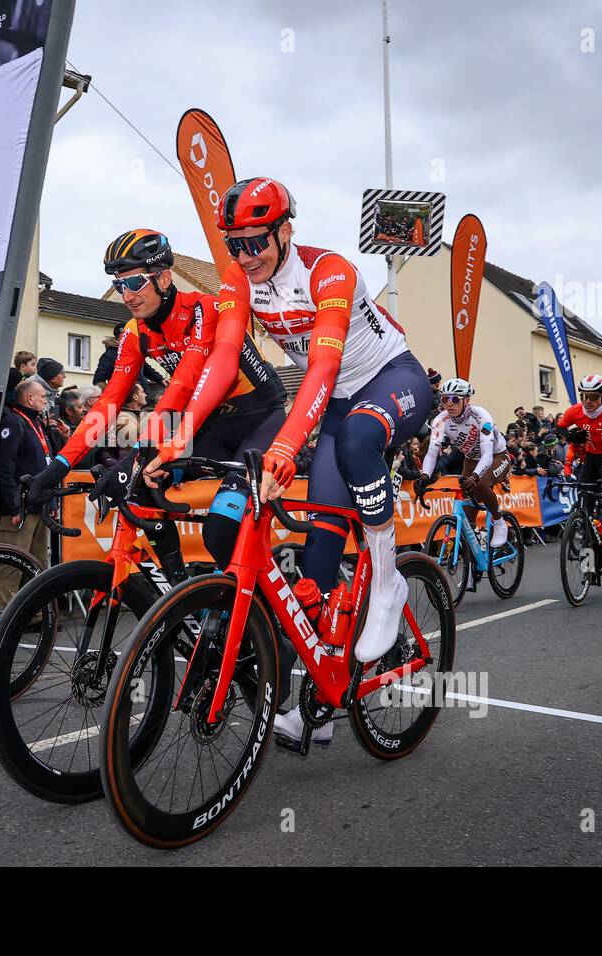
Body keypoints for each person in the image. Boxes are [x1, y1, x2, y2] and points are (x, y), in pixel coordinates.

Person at [147, 180, 431, 748]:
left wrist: (283, 446)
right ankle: (320, 705)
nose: (247, 257)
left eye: (257, 243)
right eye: (236, 246)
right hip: (335, 404)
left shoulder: (329, 271)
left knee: (354, 440)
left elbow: (322, 368)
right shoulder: (238, 281)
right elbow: (224, 360)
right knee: (318, 558)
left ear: (284, 231)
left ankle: (388, 584)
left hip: (392, 380)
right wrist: (177, 435)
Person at [27, 227, 288, 585]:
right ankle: (180, 598)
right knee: (143, 494)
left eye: (135, 283)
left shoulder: (205, 310)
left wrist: (135, 455)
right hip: (209, 424)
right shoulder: (135, 333)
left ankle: (263, 614)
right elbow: (108, 402)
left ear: (164, 277)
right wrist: (57, 467)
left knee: (220, 531)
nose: (127, 296)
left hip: (259, 418)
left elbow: (183, 383)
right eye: (120, 286)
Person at [414, 379, 512, 548]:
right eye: (445, 399)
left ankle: (499, 522)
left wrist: (474, 477)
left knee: (480, 483)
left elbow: (487, 454)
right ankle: (474, 553)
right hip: (471, 459)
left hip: (497, 456)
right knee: (467, 518)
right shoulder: (441, 420)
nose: (449, 404)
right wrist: (424, 476)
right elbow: (431, 452)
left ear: (467, 400)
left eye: (454, 399)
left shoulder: (482, 416)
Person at [0, 379, 54, 609]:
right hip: (21, 507)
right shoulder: (15, 421)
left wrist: (52, 500)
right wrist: (12, 506)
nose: (45, 402)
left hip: (40, 505)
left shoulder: (38, 423)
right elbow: (3, 467)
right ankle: (0, 615)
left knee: (39, 565)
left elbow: (47, 464)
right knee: (12, 565)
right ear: (29, 398)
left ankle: (37, 614)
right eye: (43, 398)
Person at [556, 374, 602, 542]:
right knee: (585, 489)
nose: (587, 401)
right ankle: (589, 529)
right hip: (593, 454)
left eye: (593, 397)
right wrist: (570, 436)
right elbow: (559, 428)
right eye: (584, 396)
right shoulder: (575, 411)